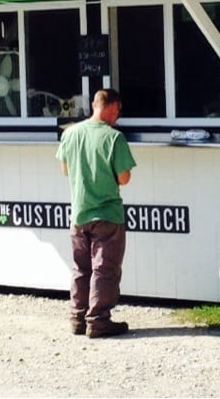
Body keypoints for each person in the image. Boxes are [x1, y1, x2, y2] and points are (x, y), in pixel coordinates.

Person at [55, 88, 136, 338]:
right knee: (105, 269)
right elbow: (124, 178)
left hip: (79, 214)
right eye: (118, 111)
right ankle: (99, 321)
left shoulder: (70, 134)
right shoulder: (114, 138)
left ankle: (77, 318)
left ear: (94, 104)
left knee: (81, 268)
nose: (118, 117)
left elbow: (66, 170)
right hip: (107, 214)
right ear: (112, 107)